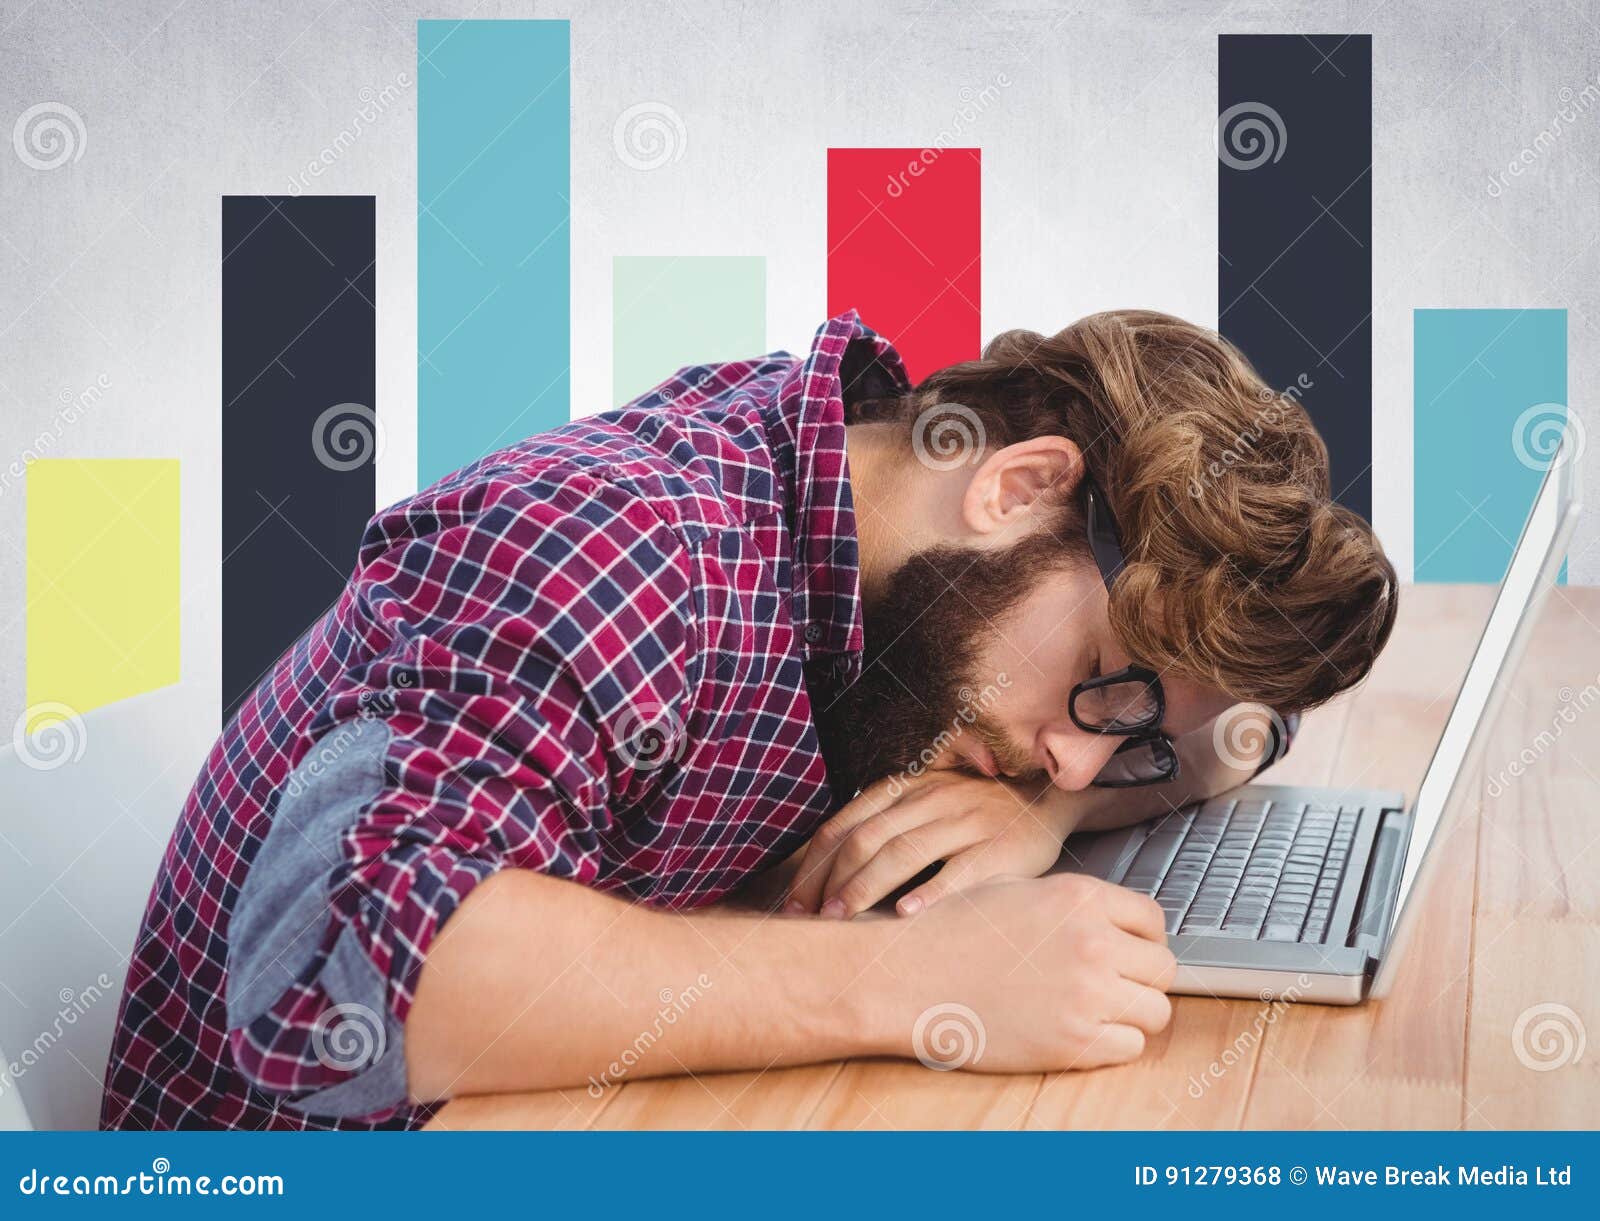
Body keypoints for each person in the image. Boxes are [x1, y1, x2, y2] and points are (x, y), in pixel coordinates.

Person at [100, 310, 1395, 1130]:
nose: (1082, 747)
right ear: (1022, 487)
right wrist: (930, 980)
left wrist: (1047, 805)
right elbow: (346, 986)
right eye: (1106, 684)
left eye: (1137, 738)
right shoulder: (626, 549)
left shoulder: (880, 564)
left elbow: (1239, 735)